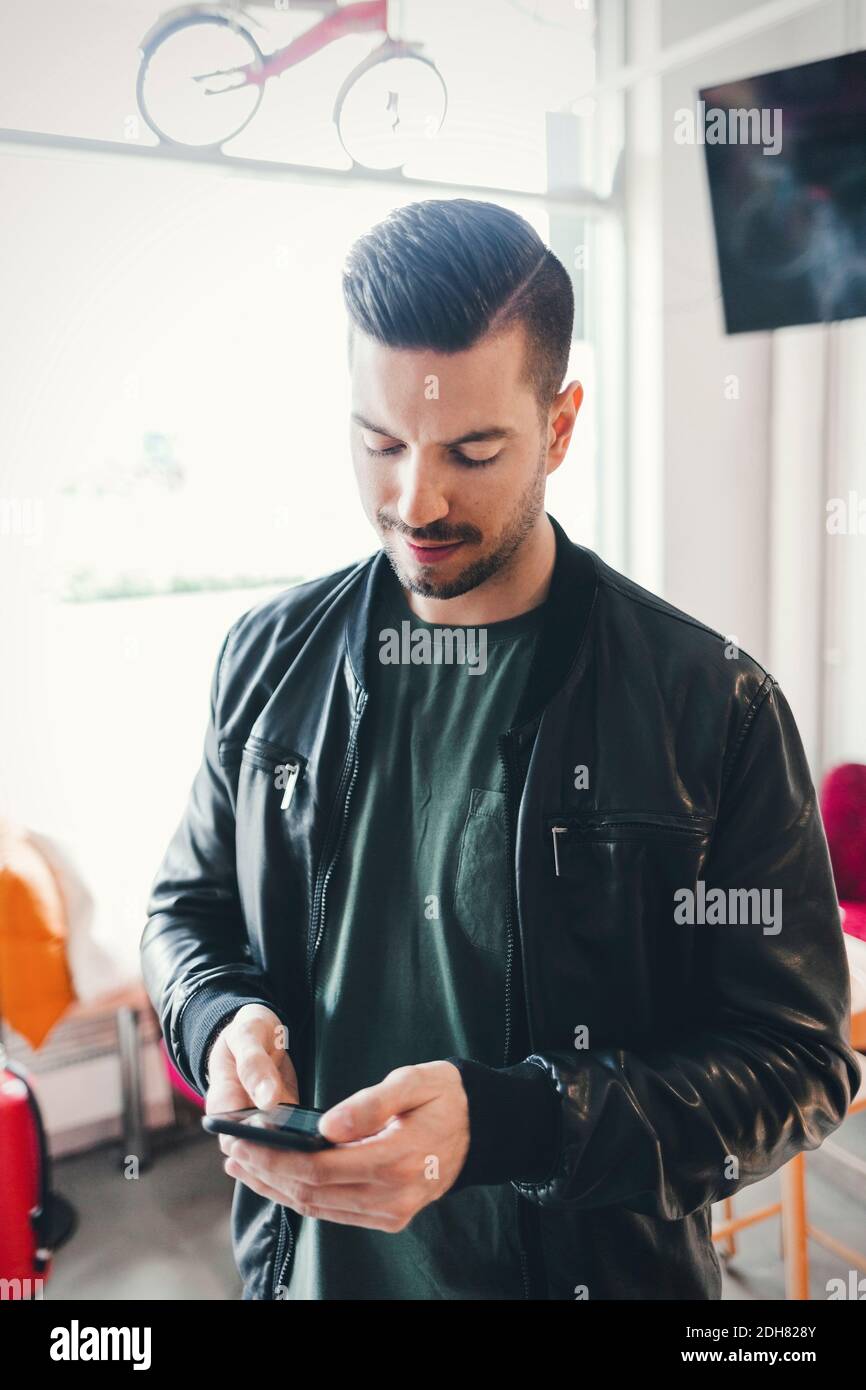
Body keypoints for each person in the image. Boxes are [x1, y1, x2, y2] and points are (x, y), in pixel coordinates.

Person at [141, 197, 860, 1300]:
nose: (413, 499)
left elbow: (797, 1063)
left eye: (472, 451)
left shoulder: (709, 704)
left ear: (560, 427)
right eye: (378, 443)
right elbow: (186, 910)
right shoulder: (264, 657)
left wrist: (521, 1124)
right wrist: (216, 1015)